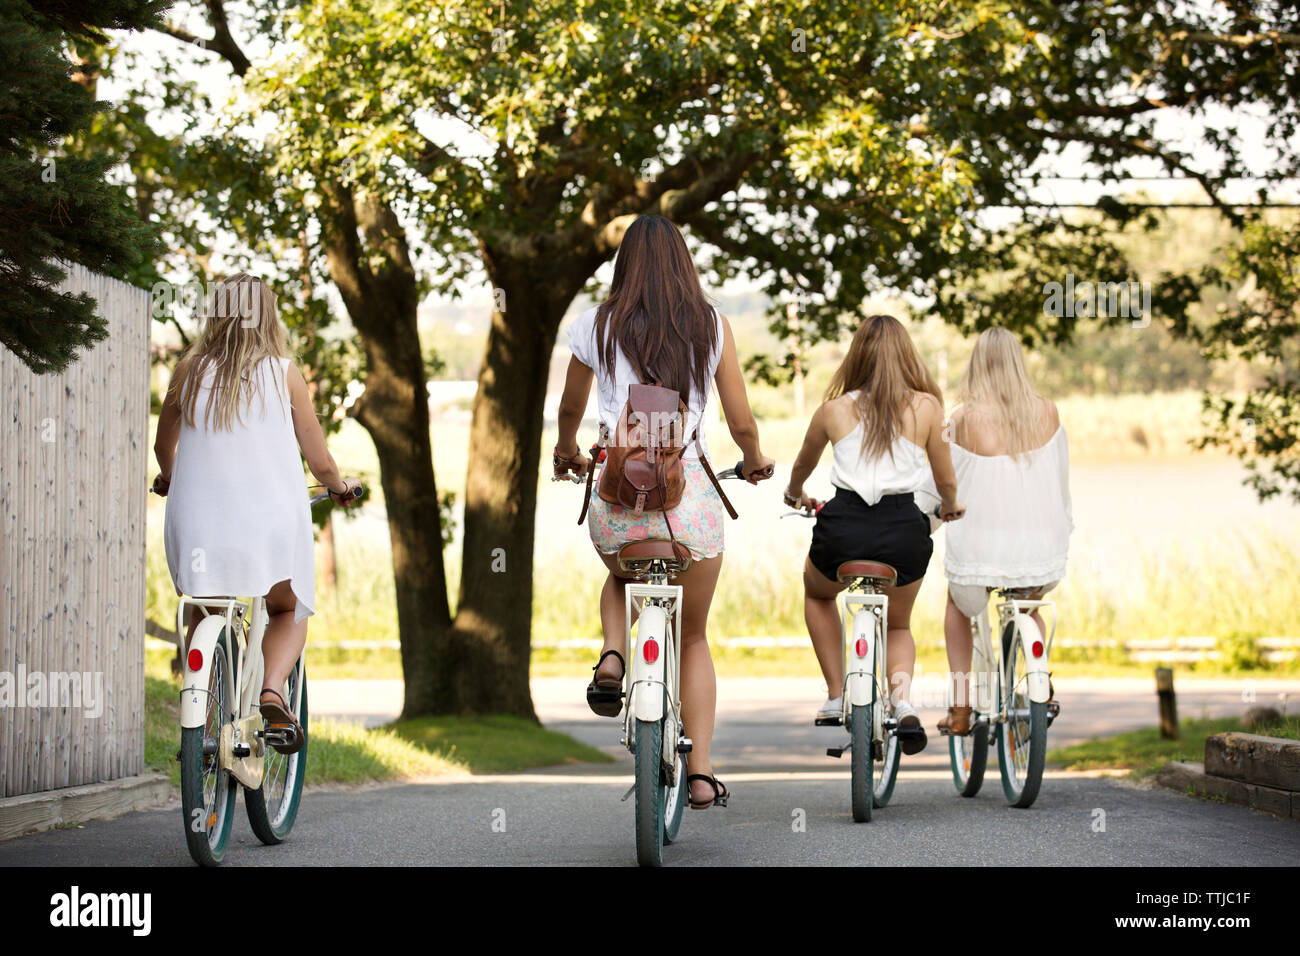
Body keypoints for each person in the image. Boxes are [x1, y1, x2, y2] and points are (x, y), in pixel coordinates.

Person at [554, 215, 774, 810]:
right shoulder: (711, 326)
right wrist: (754, 459)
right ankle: (700, 772)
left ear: (622, 265)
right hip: (692, 507)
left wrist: (567, 452)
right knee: (694, 634)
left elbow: (570, 408)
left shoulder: (592, 327)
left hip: (617, 500)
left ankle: (613, 654)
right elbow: (742, 422)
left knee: (620, 575)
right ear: (683, 263)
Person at [152, 274, 360, 753]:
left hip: (199, 528)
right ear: (267, 317)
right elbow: (320, 461)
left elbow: (166, 445)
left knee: (204, 607)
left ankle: (202, 716)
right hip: (268, 527)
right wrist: (339, 486)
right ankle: (272, 688)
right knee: (288, 606)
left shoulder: (187, 371)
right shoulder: (283, 372)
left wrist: (170, 476)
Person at [784, 314, 963, 755]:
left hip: (842, 528)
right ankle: (902, 702)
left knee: (819, 595)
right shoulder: (927, 409)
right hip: (903, 530)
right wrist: (951, 505)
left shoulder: (833, 410)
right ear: (907, 357)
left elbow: (802, 466)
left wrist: (795, 495)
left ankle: (834, 693)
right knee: (898, 623)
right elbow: (945, 480)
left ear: (856, 356)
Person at [939, 327, 1072, 736]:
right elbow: (1060, 479)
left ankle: (961, 707)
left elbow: (942, 484)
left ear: (977, 365)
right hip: (1037, 549)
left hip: (980, 552)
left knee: (958, 609)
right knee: (1029, 608)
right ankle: (1041, 683)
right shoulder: (1048, 412)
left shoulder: (960, 420)